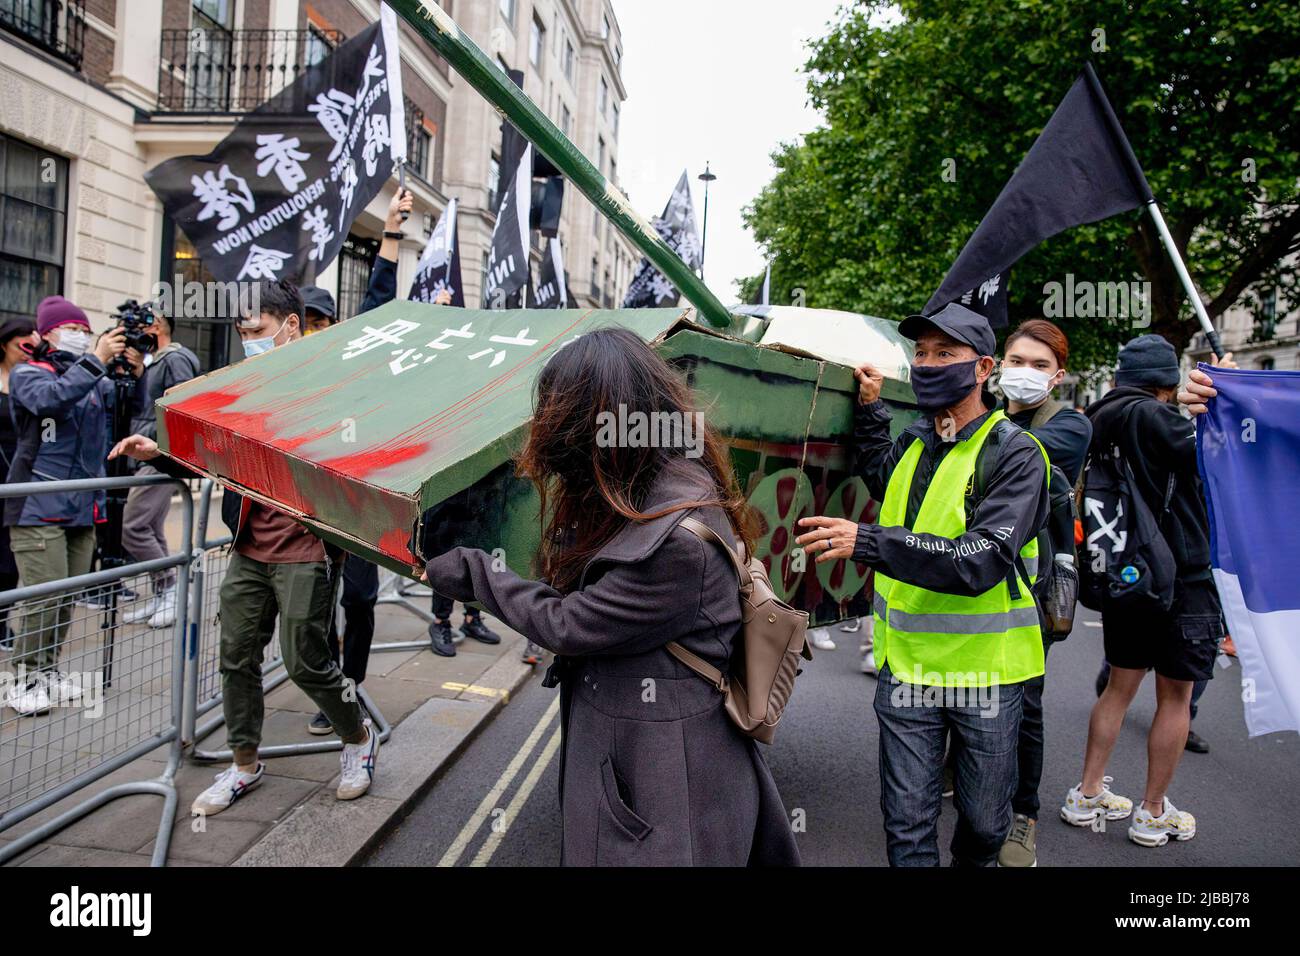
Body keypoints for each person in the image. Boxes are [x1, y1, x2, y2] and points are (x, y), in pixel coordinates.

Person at [424, 327, 800, 866]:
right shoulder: (659, 481)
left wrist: (472, 569)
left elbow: (567, 625)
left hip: (661, 780)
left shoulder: (678, 544)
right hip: (641, 754)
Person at [110, 279, 379, 814]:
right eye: (241, 331)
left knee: (308, 662)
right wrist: (158, 452)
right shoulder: (243, 385)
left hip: (307, 547)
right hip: (249, 548)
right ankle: (243, 765)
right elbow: (213, 453)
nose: (249, 340)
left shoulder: (336, 383)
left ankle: (357, 737)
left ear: (291, 326)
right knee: (235, 659)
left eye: (257, 331)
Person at [796, 302, 1049, 867]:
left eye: (945, 354)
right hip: (906, 669)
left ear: (983, 369)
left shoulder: (1016, 454)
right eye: (922, 353)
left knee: (984, 827)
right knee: (907, 829)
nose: (928, 364)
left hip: (986, 671)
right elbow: (881, 471)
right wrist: (869, 409)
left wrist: (867, 542)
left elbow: (978, 561)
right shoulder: (914, 442)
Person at [1061, 334, 1225, 848]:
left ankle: (1087, 793)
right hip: (1183, 577)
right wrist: (1231, 394)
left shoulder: (1097, 418)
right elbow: (1218, 456)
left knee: (1118, 688)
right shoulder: (1158, 418)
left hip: (1126, 575)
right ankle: (1152, 812)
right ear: (1168, 384)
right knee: (1175, 697)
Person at [993, 319, 1092, 868]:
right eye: (1017, 361)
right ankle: (971, 780)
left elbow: (1007, 458)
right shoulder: (986, 421)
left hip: (1032, 589)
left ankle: (1022, 814)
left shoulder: (1069, 427)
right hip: (977, 578)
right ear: (998, 364)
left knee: (1024, 702)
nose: (1025, 374)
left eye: (1039, 366)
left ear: (1057, 378)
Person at [2, 298, 126, 716]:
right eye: (70, 326)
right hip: (38, 503)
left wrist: (132, 371)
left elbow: (127, 409)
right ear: (47, 333)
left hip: (82, 506)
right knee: (43, 596)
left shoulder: (92, 378)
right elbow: (52, 401)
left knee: (67, 594)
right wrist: (94, 362)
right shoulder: (27, 374)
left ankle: (48, 670)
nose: (79, 333)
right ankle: (22, 678)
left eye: (84, 327)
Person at [119, 308, 200, 630]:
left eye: (140, 327)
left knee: (134, 527)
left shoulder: (176, 358)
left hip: (160, 455)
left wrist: (163, 448)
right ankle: (165, 593)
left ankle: (174, 589)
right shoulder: (156, 360)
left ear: (156, 327)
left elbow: (181, 403)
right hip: (151, 453)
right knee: (149, 527)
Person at [0, 316, 35, 651]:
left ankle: (2, 618)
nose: (26, 352)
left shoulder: (34, 377)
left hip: (20, 474)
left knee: (8, 558)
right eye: (20, 345)